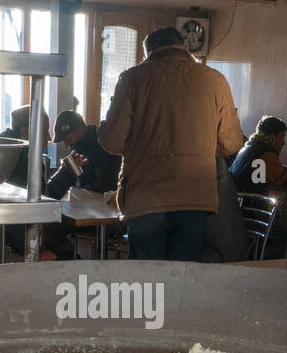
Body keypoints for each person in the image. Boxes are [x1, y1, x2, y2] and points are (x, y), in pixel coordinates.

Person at [98, 26, 243, 260]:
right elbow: (232, 142)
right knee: (182, 281)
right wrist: (201, 146)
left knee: (147, 283)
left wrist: (134, 141)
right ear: (184, 48)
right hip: (195, 198)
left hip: (146, 198)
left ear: (147, 54)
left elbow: (112, 141)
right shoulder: (215, 80)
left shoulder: (133, 79)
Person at [47, 109, 120, 198]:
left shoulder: (103, 145)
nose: (67, 145)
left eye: (68, 139)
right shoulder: (81, 148)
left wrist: (77, 192)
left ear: (80, 130)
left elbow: (105, 185)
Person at [229, 115, 287, 193]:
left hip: (234, 198)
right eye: (282, 137)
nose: (283, 143)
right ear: (273, 136)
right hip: (250, 201)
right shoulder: (266, 153)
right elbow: (283, 179)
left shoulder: (248, 147)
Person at [0, 104, 50, 190]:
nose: (49, 138)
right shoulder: (25, 160)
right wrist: (66, 172)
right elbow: (42, 196)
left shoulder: (7, 152)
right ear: (26, 132)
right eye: (45, 131)